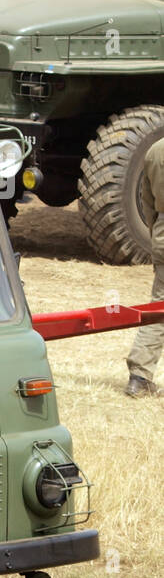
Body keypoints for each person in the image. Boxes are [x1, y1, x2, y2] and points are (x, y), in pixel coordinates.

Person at [126, 140, 164, 396]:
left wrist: (156, 234)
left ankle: (139, 377)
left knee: (159, 308)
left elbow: (146, 200)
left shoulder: (155, 149)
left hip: (162, 233)